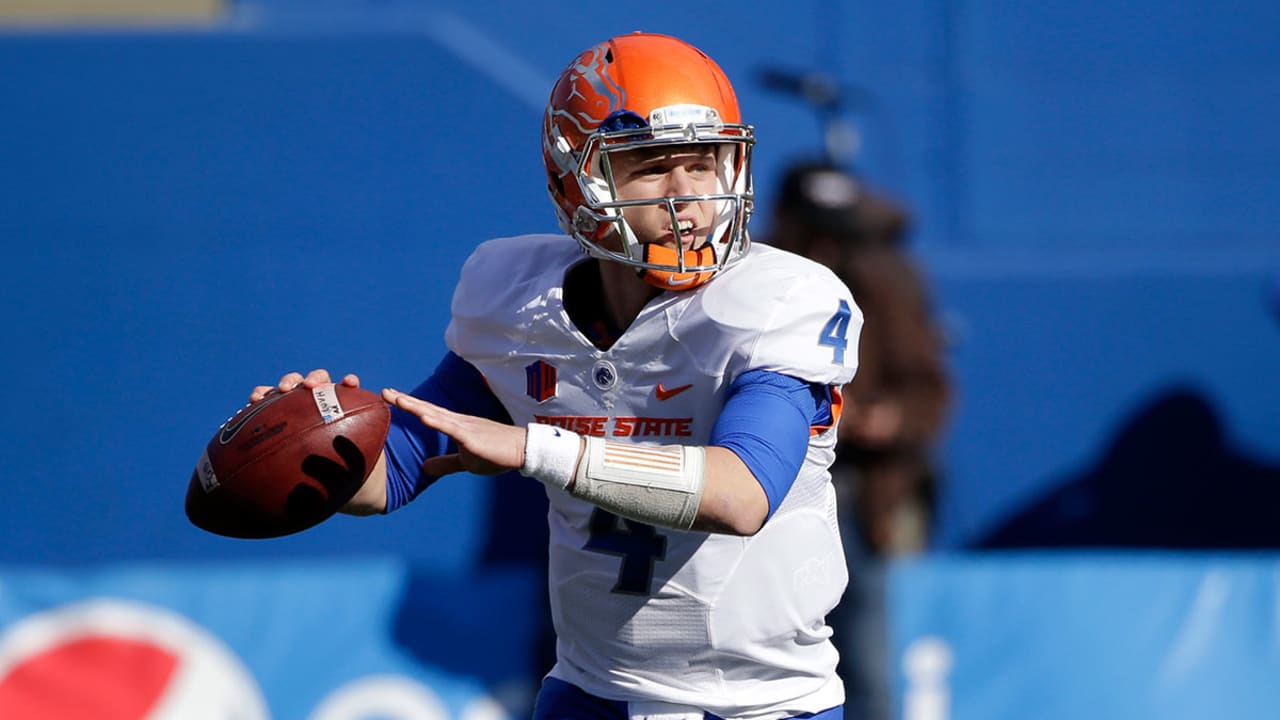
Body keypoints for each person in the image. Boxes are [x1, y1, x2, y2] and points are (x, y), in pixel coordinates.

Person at [253, 33, 861, 720]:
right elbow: (391, 473)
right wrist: (309, 440)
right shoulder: (520, 302)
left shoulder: (777, 300)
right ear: (577, 181)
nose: (686, 196)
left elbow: (743, 494)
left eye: (703, 163)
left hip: (762, 706)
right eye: (652, 167)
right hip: (589, 695)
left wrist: (534, 447)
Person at [766, 162, 952, 720]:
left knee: (866, 656)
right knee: (765, 655)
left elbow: (929, 389)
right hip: (770, 496)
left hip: (864, 492)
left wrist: (890, 421)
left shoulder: (886, 281)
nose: (824, 248)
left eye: (836, 235)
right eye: (810, 234)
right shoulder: (753, 282)